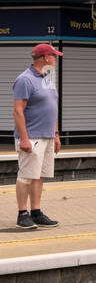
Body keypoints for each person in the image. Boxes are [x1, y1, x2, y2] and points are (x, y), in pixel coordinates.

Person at [12, 43, 62, 229]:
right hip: (31, 136)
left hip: (47, 136)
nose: (56, 59)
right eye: (54, 56)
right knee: (26, 175)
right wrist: (24, 138)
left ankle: (36, 212)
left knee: (39, 175)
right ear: (45, 58)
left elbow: (52, 108)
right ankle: (22, 213)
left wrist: (55, 134)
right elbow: (18, 111)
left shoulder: (47, 79)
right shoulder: (24, 80)